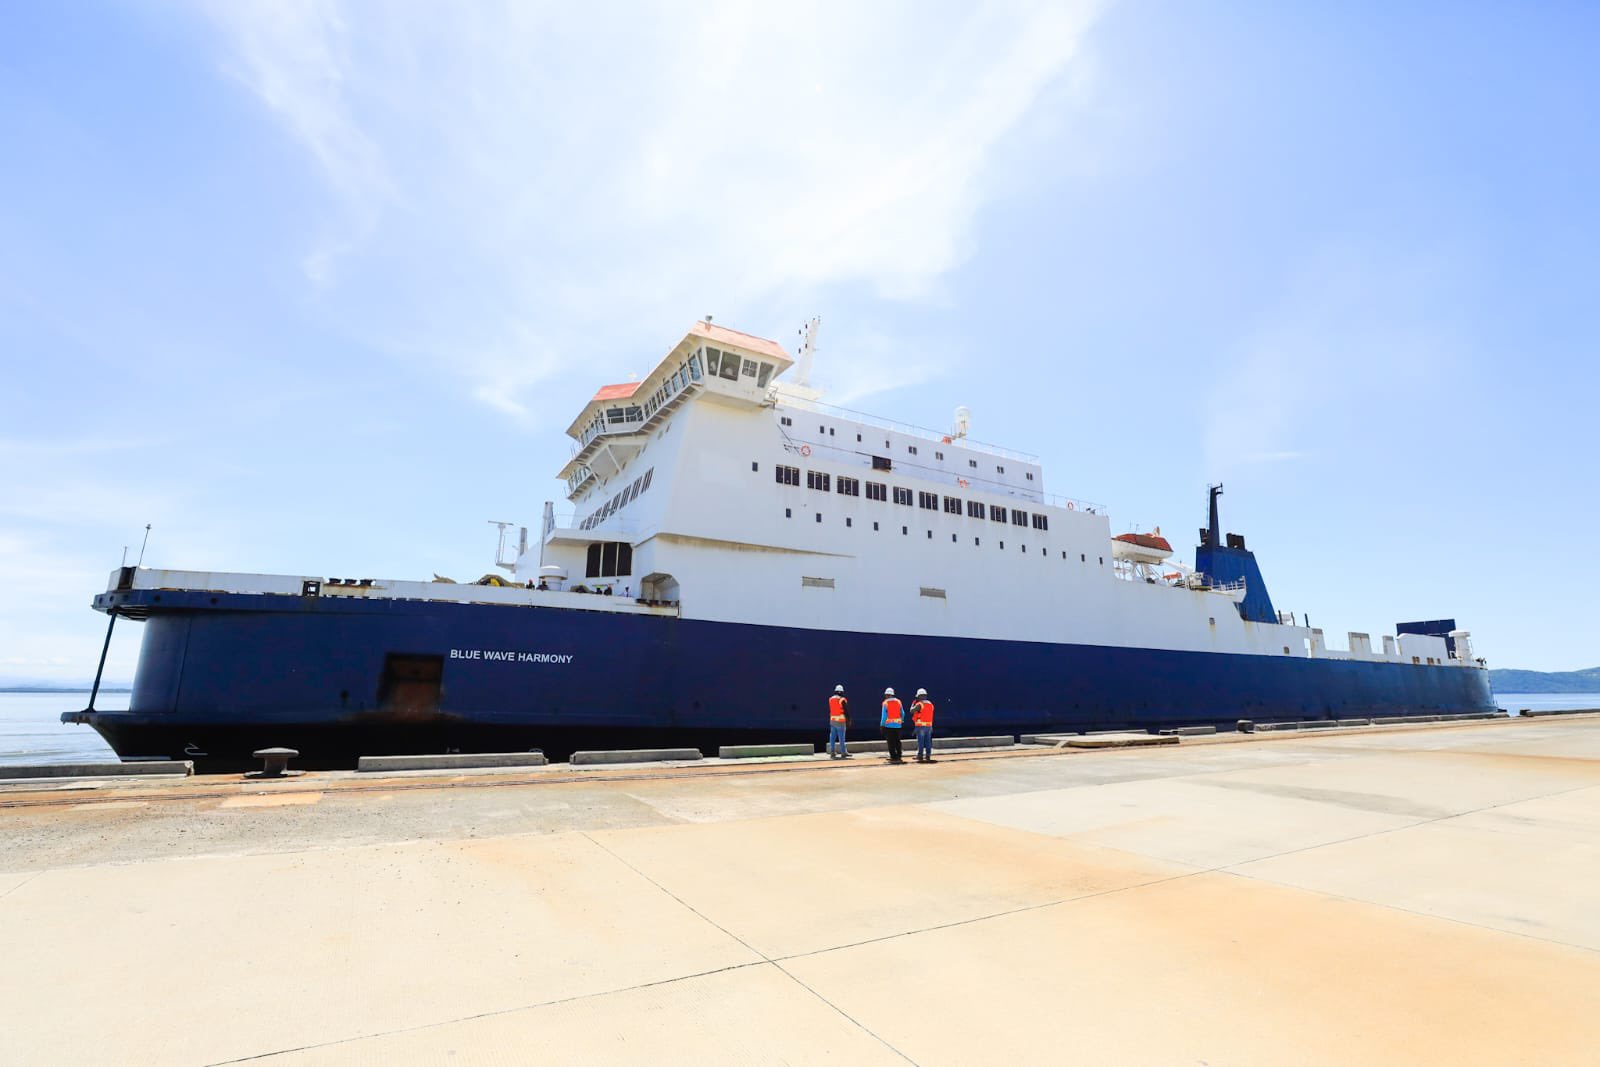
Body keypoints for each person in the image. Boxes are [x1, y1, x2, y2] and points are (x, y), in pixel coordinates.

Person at [910, 687, 935, 762]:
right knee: (928, 741)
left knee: (920, 742)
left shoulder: (920, 704)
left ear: (919, 696)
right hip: (929, 726)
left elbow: (912, 711)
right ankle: (928, 755)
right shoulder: (930, 704)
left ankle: (920, 755)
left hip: (921, 726)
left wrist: (913, 704)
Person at [880, 687, 905, 764]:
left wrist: (882, 725)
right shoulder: (898, 702)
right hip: (898, 725)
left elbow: (884, 716)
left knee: (891, 742)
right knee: (897, 741)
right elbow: (903, 713)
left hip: (889, 726)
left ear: (887, 695)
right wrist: (901, 720)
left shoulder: (885, 703)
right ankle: (899, 755)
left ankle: (893, 756)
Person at [827, 684, 851, 759]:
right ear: (841, 692)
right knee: (841, 738)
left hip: (832, 720)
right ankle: (843, 753)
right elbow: (845, 711)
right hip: (840, 721)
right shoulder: (842, 699)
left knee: (832, 737)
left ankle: (832, 752)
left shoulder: (831, 699)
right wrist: (849, 720)